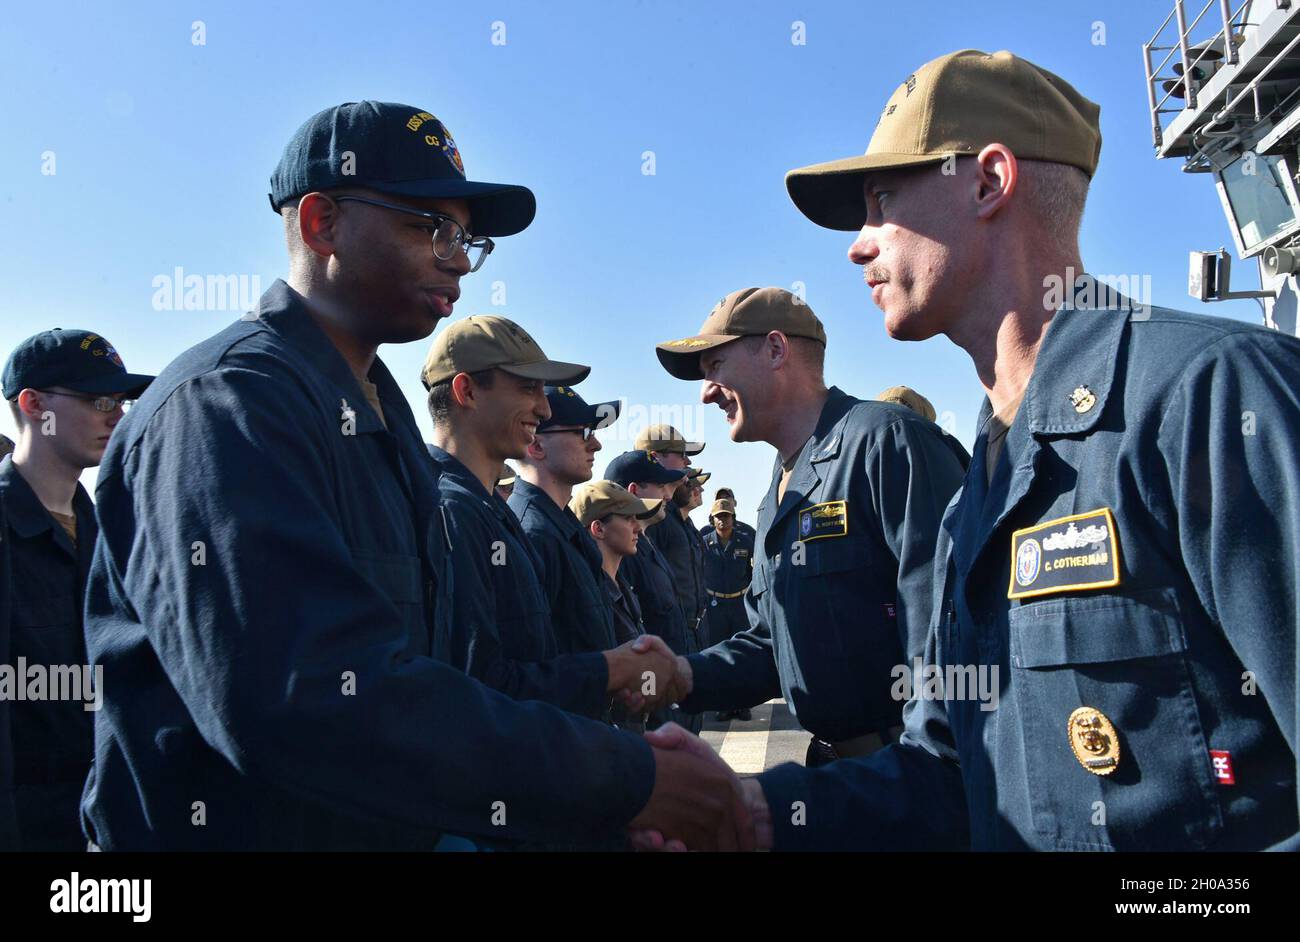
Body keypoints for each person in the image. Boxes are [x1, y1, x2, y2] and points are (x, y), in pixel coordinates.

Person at [79, 100, 751, 851]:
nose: (459, 259)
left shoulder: (371, 413)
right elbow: (306, 703)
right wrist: (619, 779)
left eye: (467, 238)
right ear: (320, 222)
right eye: (429, 228)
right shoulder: (225, 407)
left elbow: (427, 682)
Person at [719, 46, 1300, 851]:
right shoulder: (979, 492)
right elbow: (947, 776)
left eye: (883, 200)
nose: (858, 246)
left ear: (989, 182)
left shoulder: (1213, 399)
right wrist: (748, 811)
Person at [652, 286, 969, 767]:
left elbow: (951, 638)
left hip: (910, 779)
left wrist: (926, 776)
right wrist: (678, 674)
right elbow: (771, 647)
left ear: (776, 349)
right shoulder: (778, 493)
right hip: (839, 772)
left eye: (715, 366)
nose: (706, 392)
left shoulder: (885, 443)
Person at [423, 314, 673, 719]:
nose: (541, 407)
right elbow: (480, 690)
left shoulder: (488, 511)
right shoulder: (451, 512)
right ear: (466, 390)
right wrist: (607, 670)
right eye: (527, 387)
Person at [0, 330, 153, 851]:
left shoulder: (117, 529)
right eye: (97, 400)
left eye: (122, 401)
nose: (117, 416)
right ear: (33, 403)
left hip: (105, 823)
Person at [510, 384, 621, 657]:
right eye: (583, 432)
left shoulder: (562, 525)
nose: (596, 443)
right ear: (536, 446)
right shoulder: (532, 535)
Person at [605, 450, 691, 730]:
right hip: (647, 701)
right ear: (633, 491)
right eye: (660, 486)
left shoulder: (644, 543)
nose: (668, 495)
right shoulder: (622, 551)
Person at [572, 480, 664, 732]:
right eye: (627, 519)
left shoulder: (622, 585)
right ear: (598, 529)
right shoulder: (591, 594)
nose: (637, 527)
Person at [701, 498, 755, 721]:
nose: (723, 520)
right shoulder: (704, 542)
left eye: (727, 516)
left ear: (733, 518)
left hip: (739, 605)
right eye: (719, 516)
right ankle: (723, 704)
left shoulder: (745, 541)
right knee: (720, 656)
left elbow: (755, 570)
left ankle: (743, 704)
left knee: (742, 654)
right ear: (712, 519)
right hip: (715, 607)